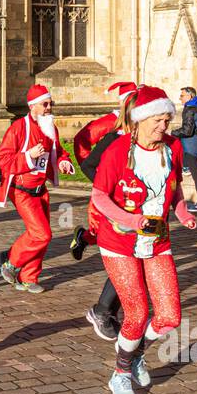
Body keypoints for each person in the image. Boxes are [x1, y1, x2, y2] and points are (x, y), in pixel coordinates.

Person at [87, 86, 196, 394]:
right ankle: (120, 373)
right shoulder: (118, 151)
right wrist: (132, 220)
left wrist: (182, 211)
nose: (165, 127)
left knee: (169, 316)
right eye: (159, 121)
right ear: (140, 120)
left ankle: (134, 355)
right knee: (136, 313)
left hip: (157, 240)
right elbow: (99, 197)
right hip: (119, 241)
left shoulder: (172, 147)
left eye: (167, 120)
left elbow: (172, 188)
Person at [69, 82, 140, 340]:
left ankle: (109, 309)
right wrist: (105, 187)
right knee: (125, 259)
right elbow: (87, 158)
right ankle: (104, 310)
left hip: (139, 213)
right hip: (110, 207)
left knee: (133, 260)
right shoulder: (112, 135)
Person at [0, 83, 75, 293]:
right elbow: (2, 159)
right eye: (45, 104)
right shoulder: (18, 128)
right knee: (42, 234)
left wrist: (63, 162)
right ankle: (10, 263)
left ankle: (29, 276)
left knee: (40, 235)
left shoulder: (50, 126)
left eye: (50, 103)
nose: (49, 107)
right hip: (22, 190)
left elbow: (59, 151)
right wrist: (29, 156)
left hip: (41, 189)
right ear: (33, 107)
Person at [171, 87, 197, 214]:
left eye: (182, 95)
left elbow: (187, 131)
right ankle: (185, 167)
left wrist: (173, 132)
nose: (180, 98)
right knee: (193, 167)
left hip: (192, 143)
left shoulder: (189, 109)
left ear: (190, 96)